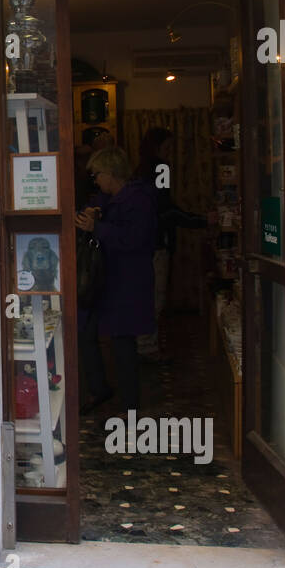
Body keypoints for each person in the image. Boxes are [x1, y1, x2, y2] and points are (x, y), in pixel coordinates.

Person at [76, 146, 157, 414]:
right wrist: (93, 215)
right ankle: (100, 389)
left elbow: (135, 239)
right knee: (86, 333)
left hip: (127, 282)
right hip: (106, 281)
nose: (96, 180)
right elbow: (93, 208)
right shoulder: (109, 197)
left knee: (123, 344)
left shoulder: (140, 199)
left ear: (111, 173)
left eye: (97, 174)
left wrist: (97, 228)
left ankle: (130, 407)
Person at [132, 127, 208, 361]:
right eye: (167, 147)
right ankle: (147, 346)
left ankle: (144, 343)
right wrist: (200, 220)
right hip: (158, 242)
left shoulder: (140, 170)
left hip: (144, 241)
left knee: (147, 295)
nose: (170, 152)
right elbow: (167, 208)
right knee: (156, 297)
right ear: (158, 148)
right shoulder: (161, 169)